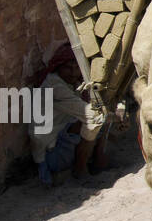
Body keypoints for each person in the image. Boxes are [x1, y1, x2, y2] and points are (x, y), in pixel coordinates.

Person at [30, 43, 106, 186]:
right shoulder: (55, 87)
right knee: (96, 120)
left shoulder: (70, 82)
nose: (72, 73)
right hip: (51, 155)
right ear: (58, 68)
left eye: (76, 68)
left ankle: (97, 162)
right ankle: (81, 169)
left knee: (101, 119)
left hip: (60, 143)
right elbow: (90, 113)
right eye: (68, 68)